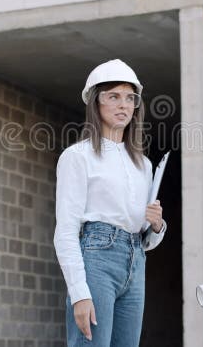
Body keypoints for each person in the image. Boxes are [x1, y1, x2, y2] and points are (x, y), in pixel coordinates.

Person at [53, 59, 166, 346]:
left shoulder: (144, 165)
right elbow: (65, 231)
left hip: (135, 260)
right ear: (96, 102)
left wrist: (156, 225)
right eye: (113, 96)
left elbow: (143, 238)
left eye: (130, 98)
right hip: (97, 260)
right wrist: (79, 293)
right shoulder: (77, 157)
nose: (123, 105)